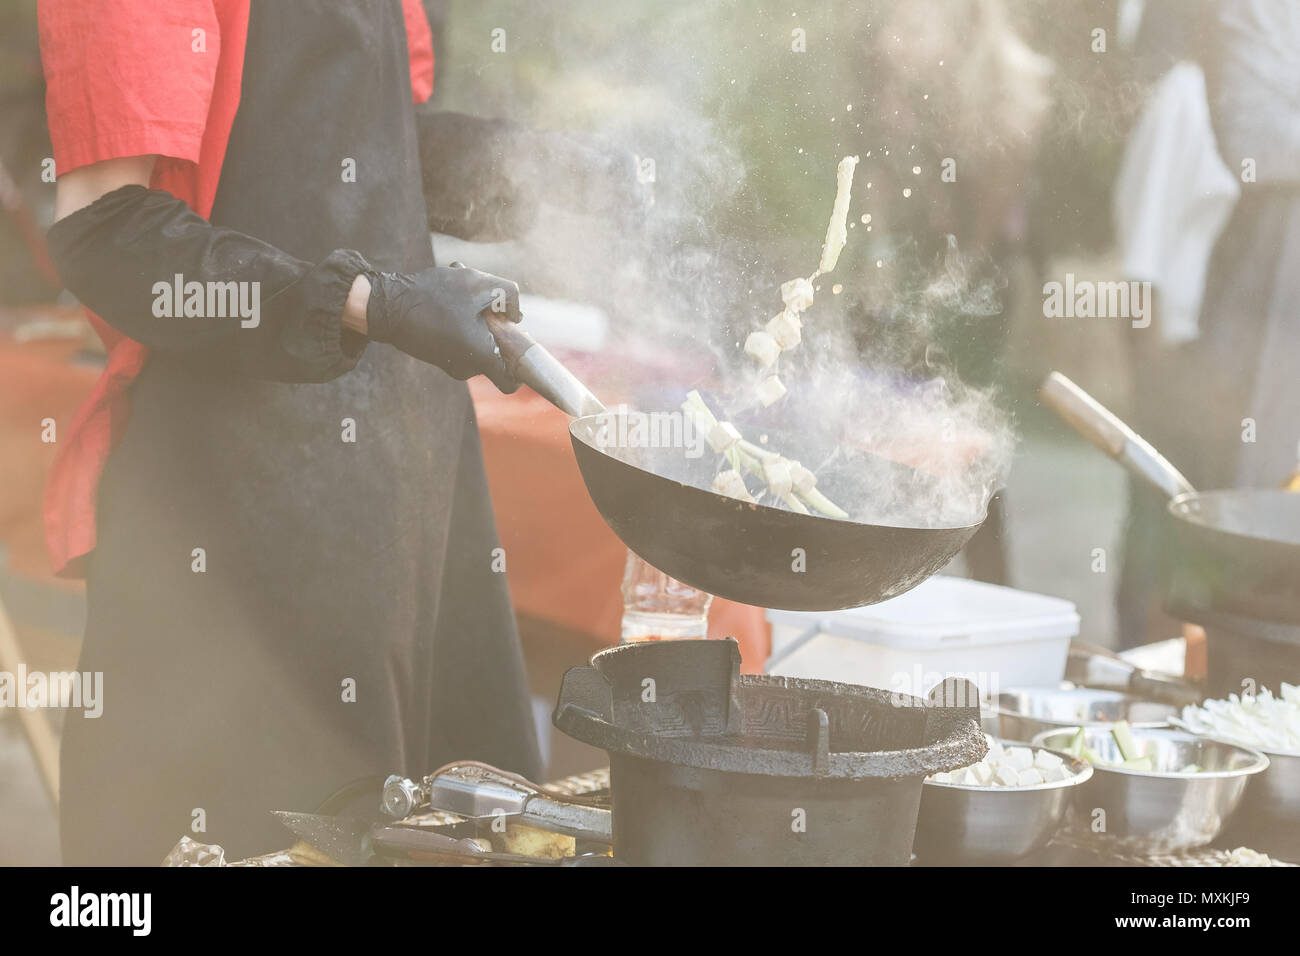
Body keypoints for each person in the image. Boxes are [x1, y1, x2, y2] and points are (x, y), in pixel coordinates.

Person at [40, 0, 638, 864]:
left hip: (415, 494)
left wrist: (544, 172)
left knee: (468, 834)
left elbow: (369, 150)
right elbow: (104, 227)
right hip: (239, 513)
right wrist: (372, 305)